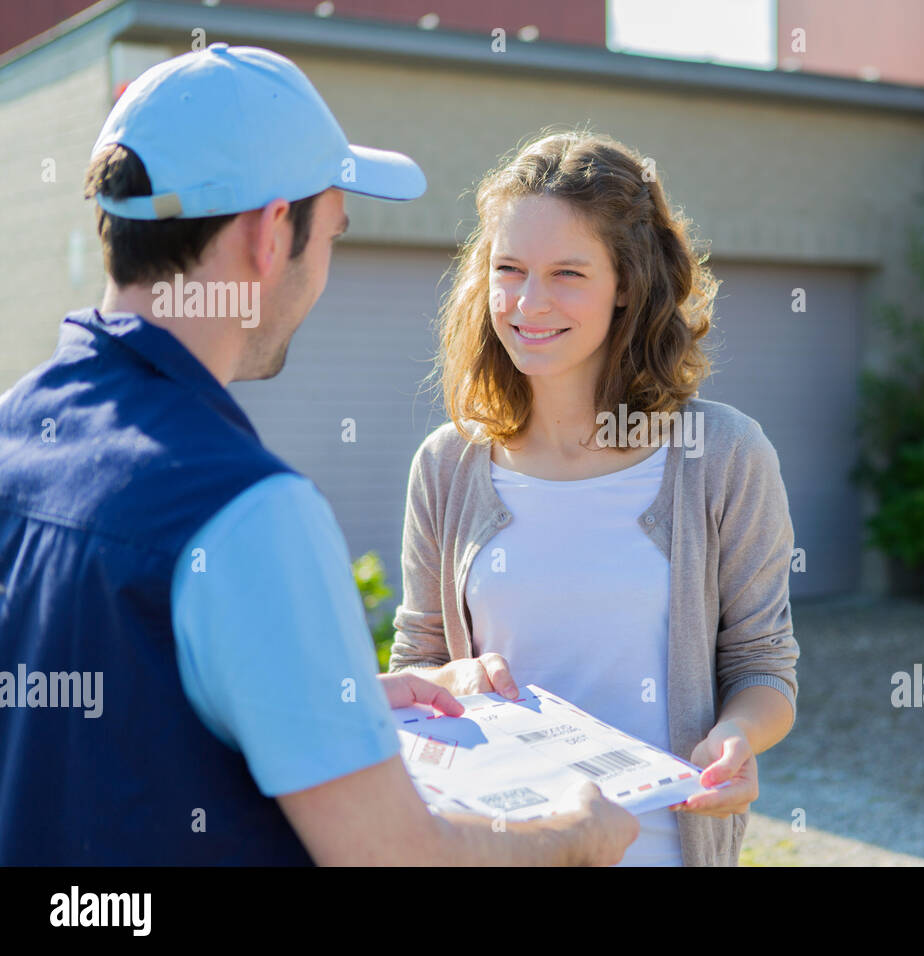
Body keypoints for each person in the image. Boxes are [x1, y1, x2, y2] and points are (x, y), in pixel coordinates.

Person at [0, 45, 636, 866]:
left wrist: (317, 701)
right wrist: (570, 833)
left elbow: (102, 707)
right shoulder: (243, 508)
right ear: (272, 233)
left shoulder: (17, 431)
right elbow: (390, 854)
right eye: (332, 232)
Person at [388, 128, 800, 866]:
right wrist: (446, 678)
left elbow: (763, 664)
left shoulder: (725, 456)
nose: (527, 301)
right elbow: (418, 659)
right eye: (508, 268)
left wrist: (738, 735)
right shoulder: (447, 465)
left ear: (628, 286)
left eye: (567, 273)